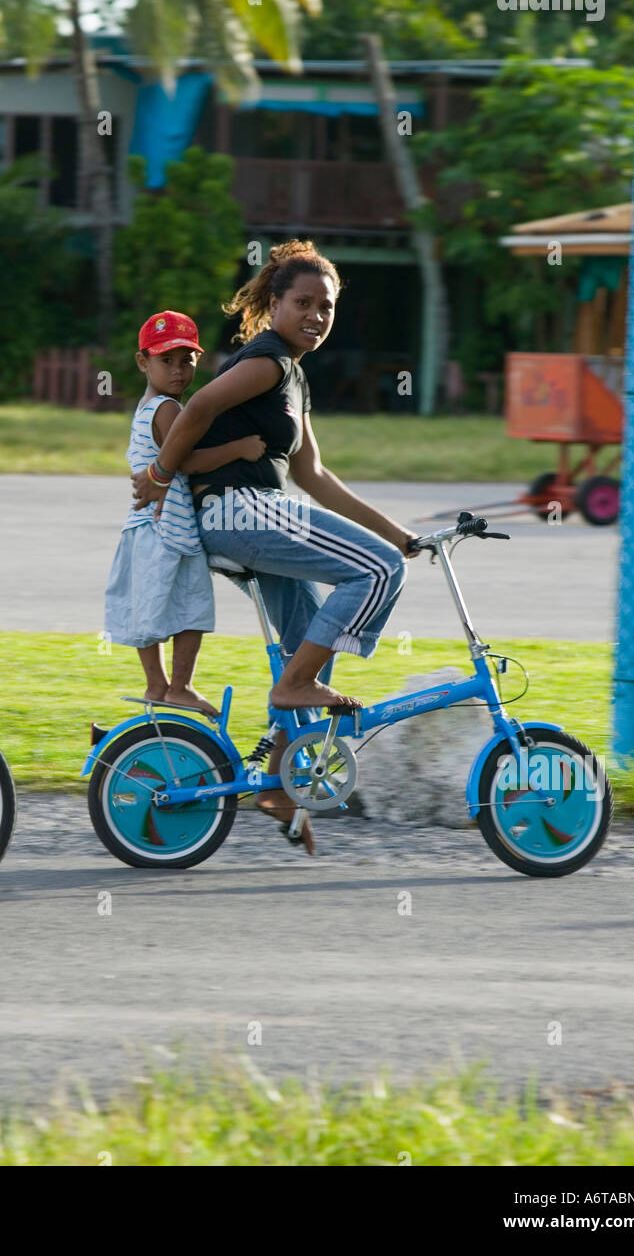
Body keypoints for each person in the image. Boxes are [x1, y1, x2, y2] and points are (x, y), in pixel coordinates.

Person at [131, 242, 419, 853]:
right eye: (303, 303)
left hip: (260, 515)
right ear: (275, 304)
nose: (315, 316)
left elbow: (313, 475)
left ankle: (278, 780)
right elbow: (201, 404)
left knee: (314, 632)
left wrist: (401, 533)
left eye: (327, 307)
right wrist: (159, 475)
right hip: (242, 511)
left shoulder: (293, 375)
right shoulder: (265, 360)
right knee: (375, 570)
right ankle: (290, 694)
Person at [104, 310, 266, 718]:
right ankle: (180, 687)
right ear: (143, 362)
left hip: (143, 527)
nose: (178, 371)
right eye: (166, 361)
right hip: (169, 528)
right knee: (190, 607)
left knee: (150, 605)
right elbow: (188, 461)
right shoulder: (168, 411)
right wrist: (240, 448)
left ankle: (157, 685)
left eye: (186, 361)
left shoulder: (146, 407)